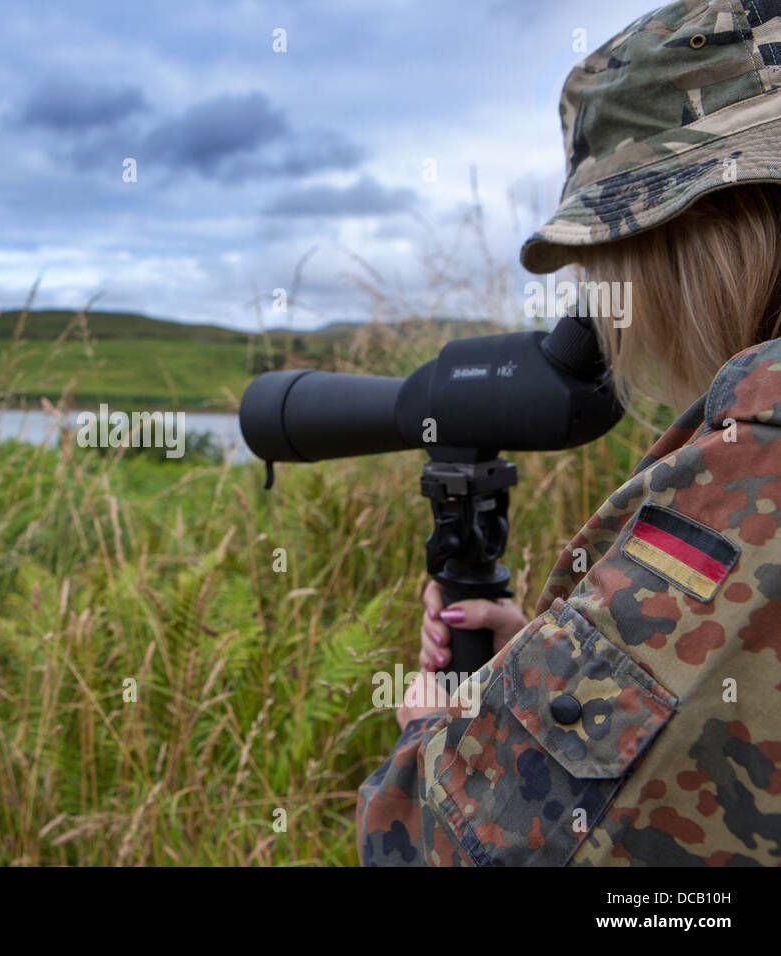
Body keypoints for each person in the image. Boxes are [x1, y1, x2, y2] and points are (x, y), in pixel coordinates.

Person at [357, 0, 781, 865]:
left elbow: (425, 843)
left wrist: (443, 743)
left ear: (685, 237)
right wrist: (573, 683)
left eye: (602, 264)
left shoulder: (758, 454)